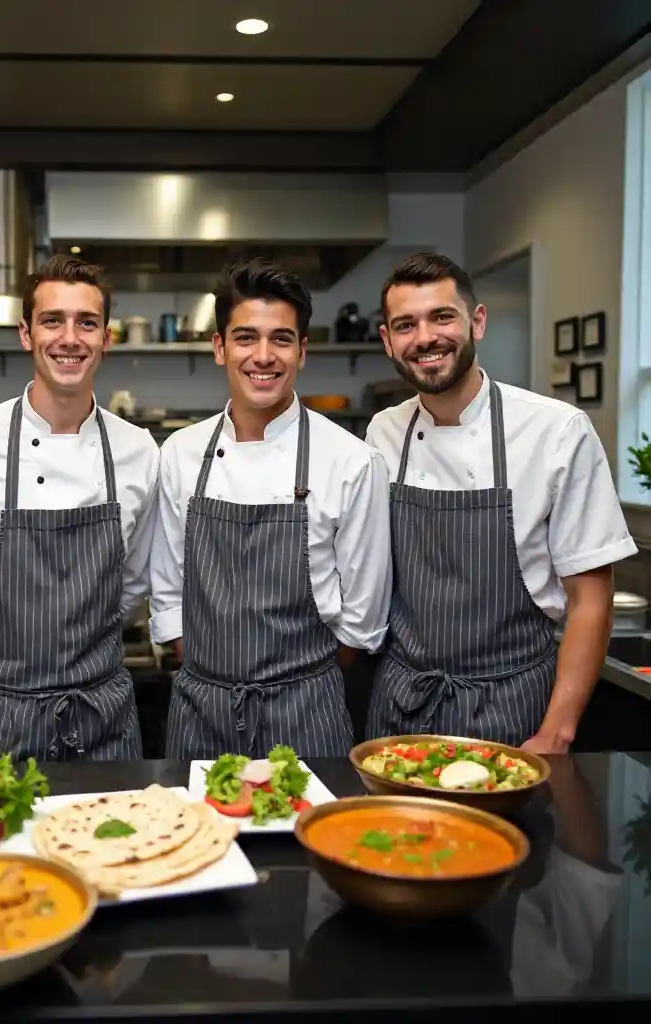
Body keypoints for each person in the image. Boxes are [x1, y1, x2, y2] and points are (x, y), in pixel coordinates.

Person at [365, 252, 636, 752]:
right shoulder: (383, 431)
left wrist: (556, 732)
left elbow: (591, 600)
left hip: (515, 710)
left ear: (478, 321)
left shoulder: (557, 431)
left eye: (442, 316)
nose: (425, 338)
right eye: (406, 324)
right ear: (388, 341)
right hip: (402, 709)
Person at [149, 259, 392, 759]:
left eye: (281, 339)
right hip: (202, 711)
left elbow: (363, 616)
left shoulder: (351, 460)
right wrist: (209, 673)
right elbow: (168, 588)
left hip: (307, 713)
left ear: (302, 351)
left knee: (307, 840)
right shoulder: (179, 453)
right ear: (219, 347)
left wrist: (297, 683)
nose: (264, 356)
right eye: (245, 337)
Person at [0, 254, 160, 762]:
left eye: (87, 323)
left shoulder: (139, 449)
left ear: (107, 338)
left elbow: (136, 578)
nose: (70, 338)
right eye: (52, 320)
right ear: (25, 334)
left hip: (102, 713)